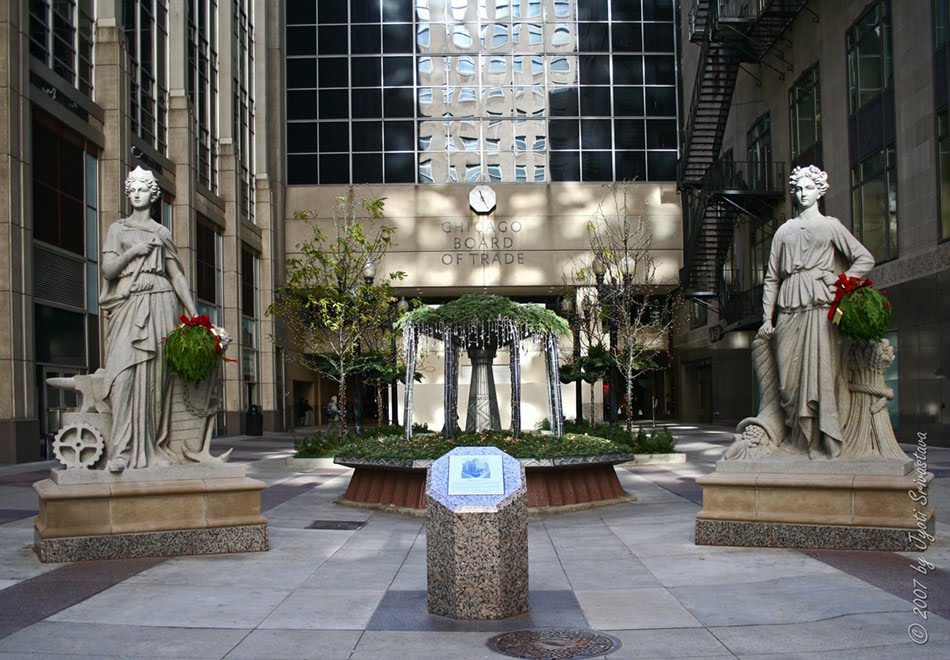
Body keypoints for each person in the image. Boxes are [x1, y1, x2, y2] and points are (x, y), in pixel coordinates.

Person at [757, 165, 874, 458]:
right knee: (788, 382)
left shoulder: (830, 226)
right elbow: (772, 277)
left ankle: (822, 441)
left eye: (808, 187)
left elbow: (864, 258)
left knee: (822, 375)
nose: (802, 193)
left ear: (820, 190)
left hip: (821, 306)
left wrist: (839, 281)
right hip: (789, 307)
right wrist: (766, 319)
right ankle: (798, 440)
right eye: (797, 188)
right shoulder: (784, 231)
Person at [100, 167, 200, 471]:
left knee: (157, 381)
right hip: (129, 303)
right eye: (132, 189)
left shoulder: (162, 232)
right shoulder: (117, 229)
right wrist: (134, 253)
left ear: (153, 194)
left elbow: (177, 276)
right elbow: (108, 271)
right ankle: (122, 450)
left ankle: (153, 448)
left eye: (143, 188)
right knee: (122, 376)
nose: (137, 193)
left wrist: (194, 315)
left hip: (161, 303)